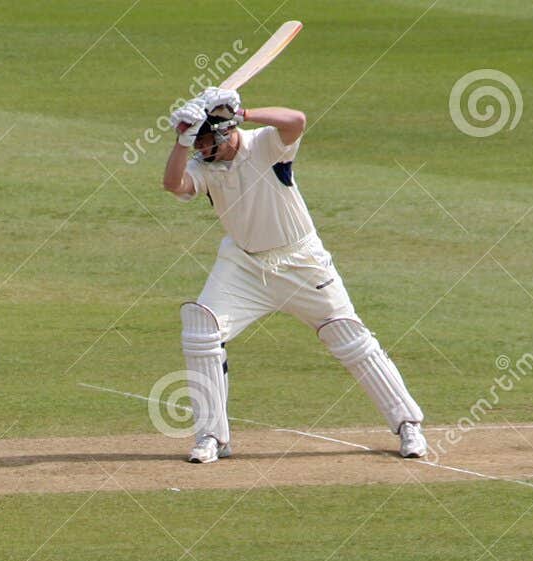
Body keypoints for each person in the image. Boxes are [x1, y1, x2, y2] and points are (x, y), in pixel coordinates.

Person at [162, 87, 427, 462]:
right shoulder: (204, 167)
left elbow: (296, 121)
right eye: (197, 144)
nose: (202, 150)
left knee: (347, 336)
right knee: (201, 328)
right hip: (244, 265)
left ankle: (408, 424)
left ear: (226, 130)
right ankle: (211, 437)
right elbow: (173, 184)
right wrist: (181, 141)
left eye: (205, 142)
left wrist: (244, 113)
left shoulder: (264, 144)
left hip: (301, 261)